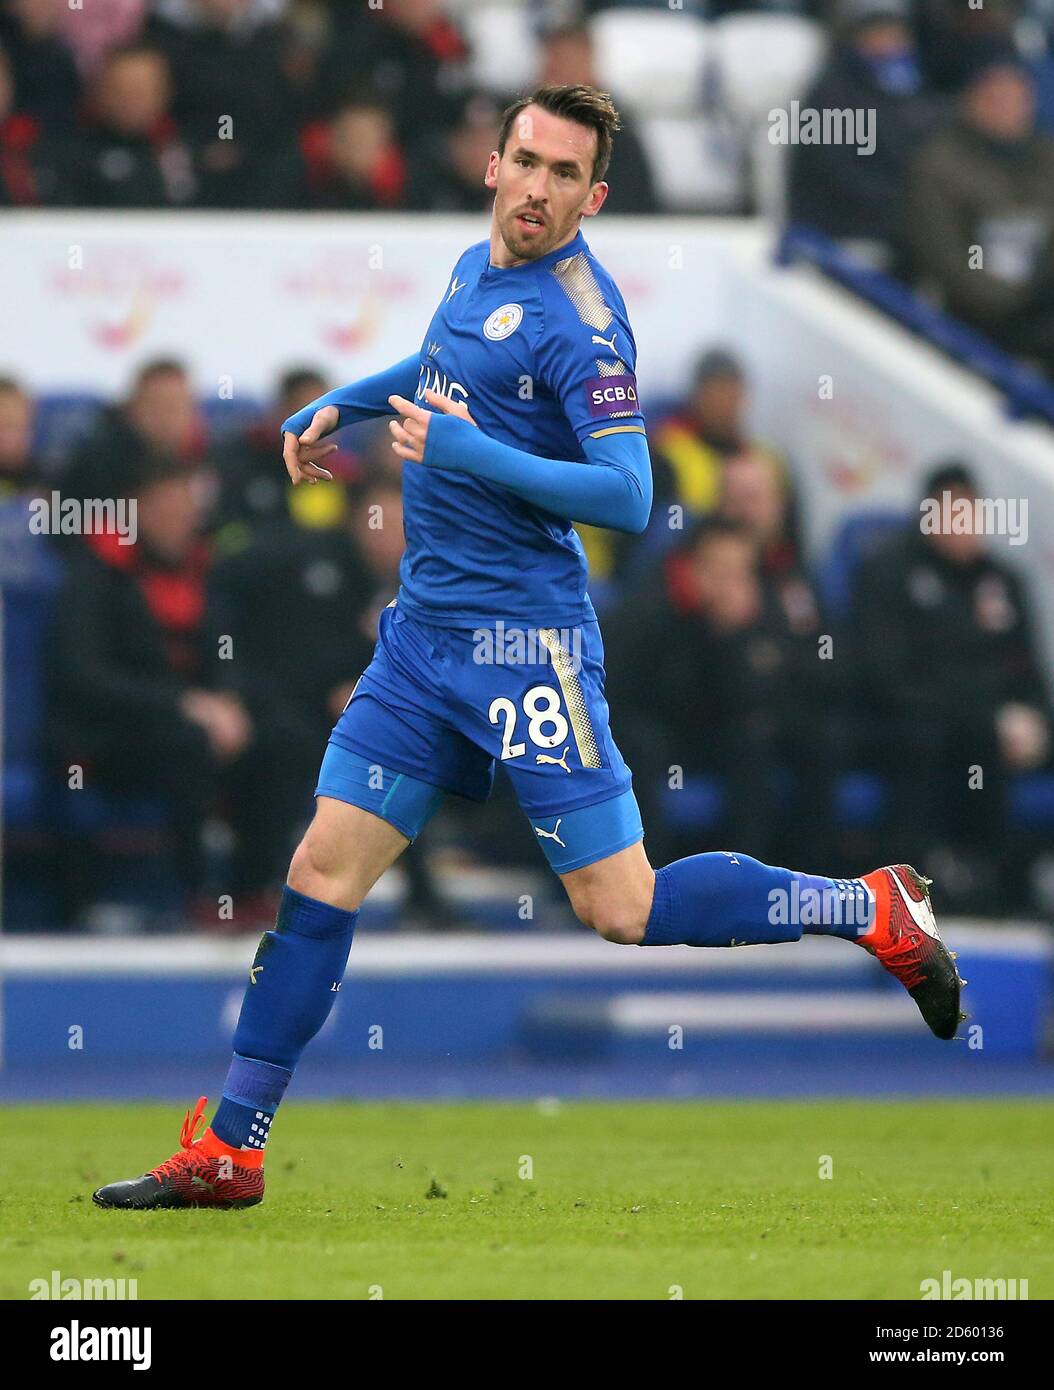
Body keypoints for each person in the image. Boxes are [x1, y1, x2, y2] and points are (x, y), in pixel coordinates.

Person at [93, 82, 964, 1212]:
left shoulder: (582, 322)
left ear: (593, 196)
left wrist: (467, 453)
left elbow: (627, 493)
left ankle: (868, 908)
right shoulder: (472, 270)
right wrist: (345, 405)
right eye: (527, 162)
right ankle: (231, 1143)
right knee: (319, 871)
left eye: (566, 175)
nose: (539, 189)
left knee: (622, 907)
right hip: (420, 644)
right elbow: (441, 377)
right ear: (493, 163)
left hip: (523, 646)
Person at [850, 462, 1051, 910]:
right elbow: (885, 676)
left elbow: (1029, 673)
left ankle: (1015, 887)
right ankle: (931, 884)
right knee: (939, 737)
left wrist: (1033, 719)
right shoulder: (888, 575)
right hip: (909, 726)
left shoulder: (1003, 582)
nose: (964, 528)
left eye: (971, 515)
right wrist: (988, 716)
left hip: (998, 728)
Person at [906, 58, 1054, 376]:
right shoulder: (940, 164)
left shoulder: (1046, 158)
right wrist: (1012, 303)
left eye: (1016, 99)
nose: (1007, 109)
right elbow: (943, 256)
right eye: (995, 99)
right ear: (971, 102)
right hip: (976, 314)